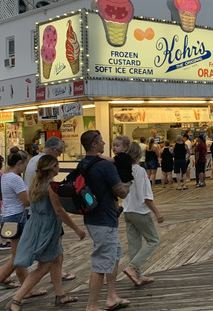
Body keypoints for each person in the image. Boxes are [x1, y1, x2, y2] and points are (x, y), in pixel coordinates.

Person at [6, 155, 86, 311]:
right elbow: (58, 211)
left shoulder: (35, 183)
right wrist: (77, 229)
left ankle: (60, 295)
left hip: (35, 224)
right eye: (57, 165)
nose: (59, 168)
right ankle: (17, 299)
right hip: (48, 227)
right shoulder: (51, 187)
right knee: (43, 267)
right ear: (52, 168)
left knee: (57, 259)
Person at [0, 151, 46, 311]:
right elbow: (26, 201)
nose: (26, 167)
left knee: (18, 256)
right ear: (20, 163)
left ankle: (27, 289)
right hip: (17, 219)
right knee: (16, 259)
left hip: (8, 217)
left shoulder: (4, 176)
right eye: (26, 163)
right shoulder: (15, 179)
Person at [78, 130, 131, 311]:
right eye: (101, 141)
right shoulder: (105, 166)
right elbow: (121, 192)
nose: (104, 144)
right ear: (94, 144)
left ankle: (112, 296)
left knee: (114, 255)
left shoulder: (83, 164)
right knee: (101, 263)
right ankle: (91, 306)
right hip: (104, 219)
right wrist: (129, 184)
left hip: (92, 216)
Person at [121, 141, 164, 287]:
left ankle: (138, 275)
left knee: (134, 244)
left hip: (128, 209)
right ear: (140, 154)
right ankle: (133, 267)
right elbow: (146, 196)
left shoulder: (124, 170)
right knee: (153, 239)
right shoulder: (139, 171)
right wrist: (157, 212)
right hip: (140, 211)